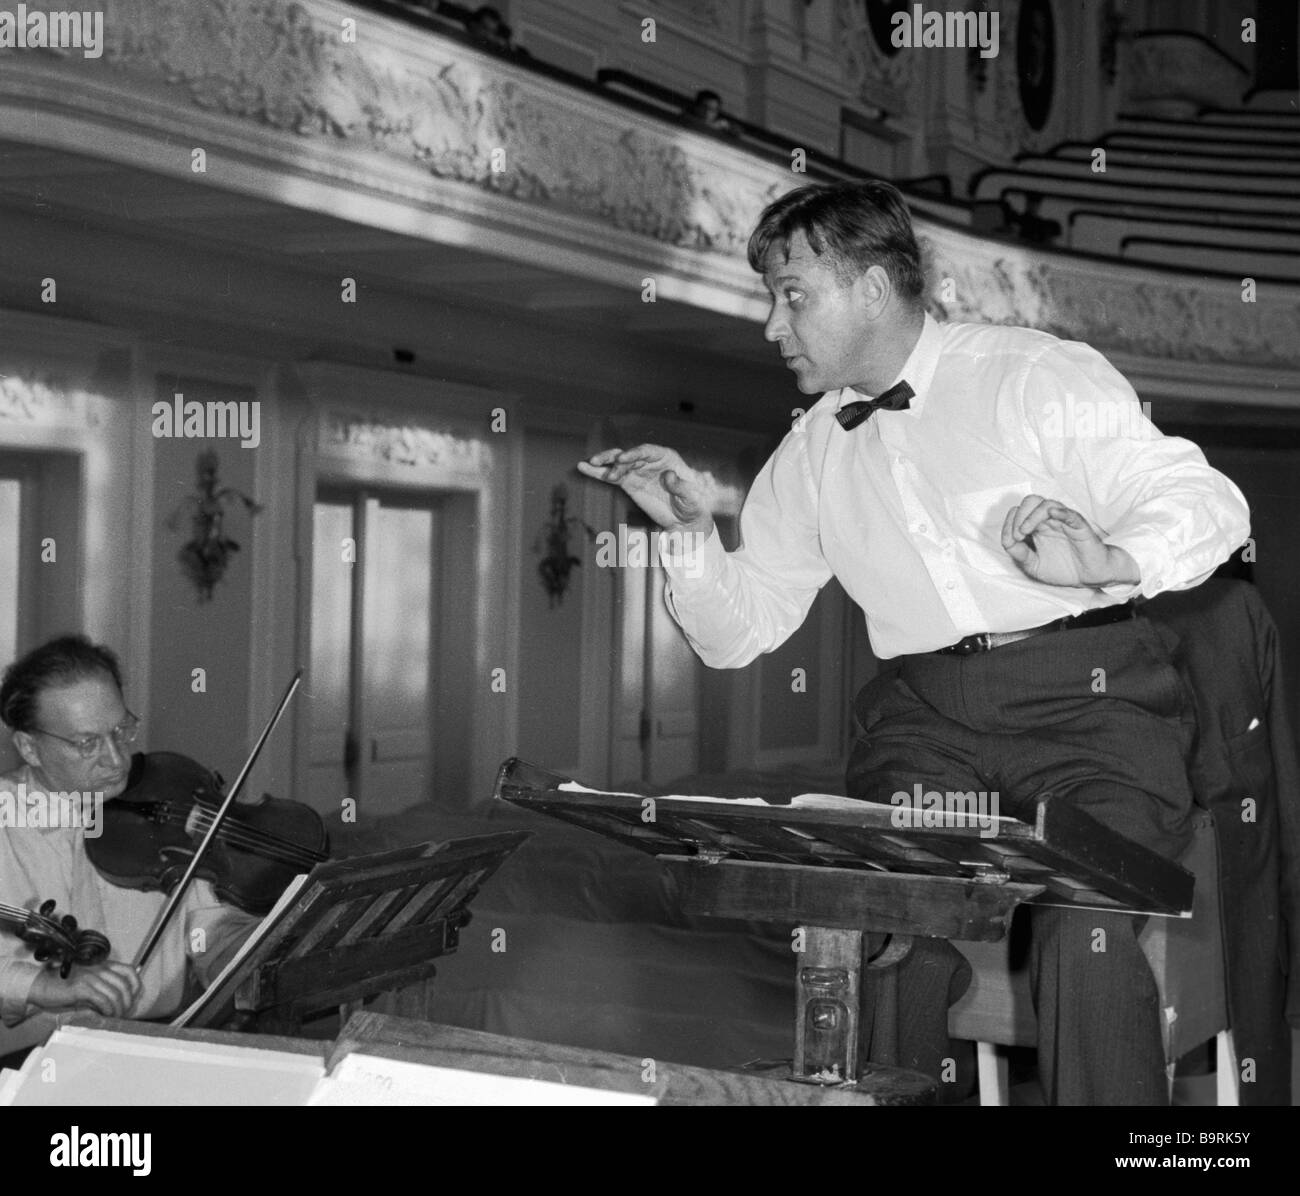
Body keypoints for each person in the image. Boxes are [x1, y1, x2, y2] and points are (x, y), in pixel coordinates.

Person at [579, 180, 1251, 1105]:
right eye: (770, 299)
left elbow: (1210, 503)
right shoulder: (812, 449)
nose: (773, 325)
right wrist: (690, 533)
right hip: (925, 722)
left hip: (1092, 709)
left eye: (792, 295)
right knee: (877, 922)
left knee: (1080, 933)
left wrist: (1111, 555)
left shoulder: (1032, 375)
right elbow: (741, 634)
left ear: (871, 286)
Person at [0, 636, 260, 1057]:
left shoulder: (165, 808)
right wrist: (41, 984)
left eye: (121, 731)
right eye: (88, 744)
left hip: (156, 1042)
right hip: (28, 1058)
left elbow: (208, 927)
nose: (117, 760)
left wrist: (248, 953)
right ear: (29, 747)